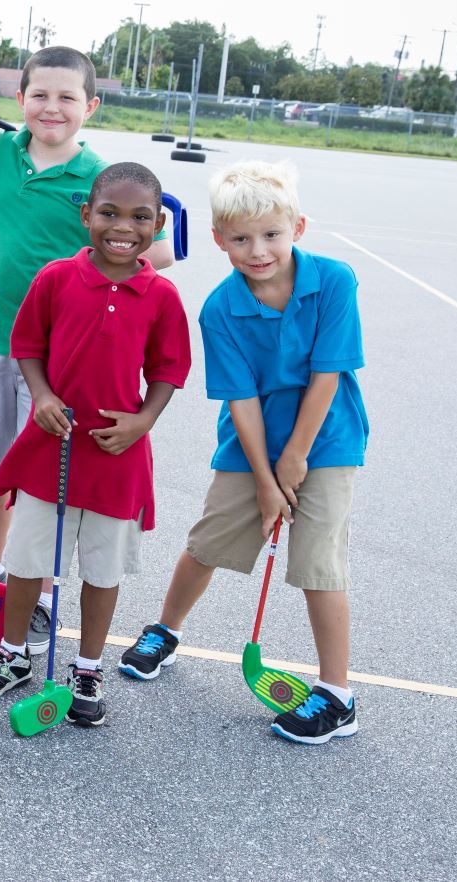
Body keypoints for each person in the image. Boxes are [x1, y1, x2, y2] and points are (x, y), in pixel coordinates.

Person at [0, 46, 174, 648]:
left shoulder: (100, 180)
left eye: (67, 97)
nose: (52, 107)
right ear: (21, 99)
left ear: (89, 106)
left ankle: (39, 598)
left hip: (56, 361)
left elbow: (155, 253)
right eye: (40, 94)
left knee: (43, 484)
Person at [120, 161, 368, 746]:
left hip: (326, 443)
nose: (257, 250)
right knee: (207, 544)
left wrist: (294, 461)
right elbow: (244, 400)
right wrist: (264, 477)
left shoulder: (334, 281)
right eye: (240, 238)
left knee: (318, 564)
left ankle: (337, 695)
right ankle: (166, 629)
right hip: (249, 445)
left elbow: (328, 376)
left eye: (271, 235)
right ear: (218, 240)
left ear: (297, 228)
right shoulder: (219, 309)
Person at [0, 163, 191, 727]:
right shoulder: (56, 278)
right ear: (86, 215)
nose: (122, 227)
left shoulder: (161, 295)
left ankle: (87, 668)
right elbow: (28, 345)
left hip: (117, 454)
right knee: (29, 560)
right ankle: (14, 652)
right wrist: (39, 396)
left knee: (102, 570)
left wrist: (143, 421)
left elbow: (168, 369)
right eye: (109, 213)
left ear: (157, 225)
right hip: (51, 447)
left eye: (140, 218)